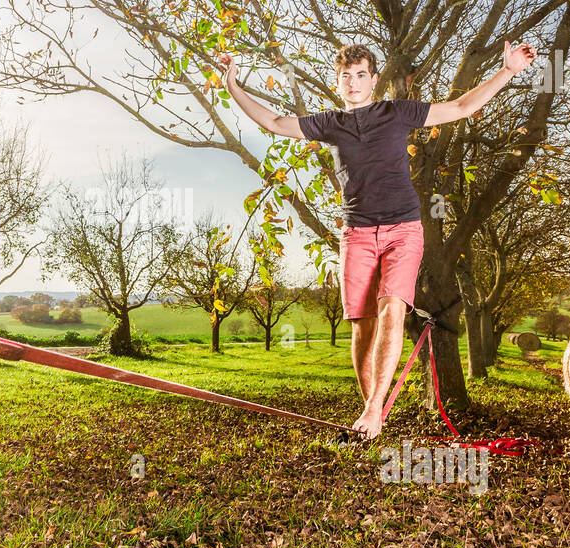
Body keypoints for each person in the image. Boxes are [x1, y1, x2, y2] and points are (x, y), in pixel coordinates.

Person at [218, 40, 537, 439]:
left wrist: (507, 71)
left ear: (373, 79)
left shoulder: (396, 111)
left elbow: (459, 108)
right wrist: (233, 85)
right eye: (346, 76)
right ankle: (374, 417)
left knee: (392, 308)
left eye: (361, 75)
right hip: (356, 234)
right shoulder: (330, 122)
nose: (354, 82)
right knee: (361, 328)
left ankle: (372, 410)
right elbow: (275, 123)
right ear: (338, 82)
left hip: (403, 229)